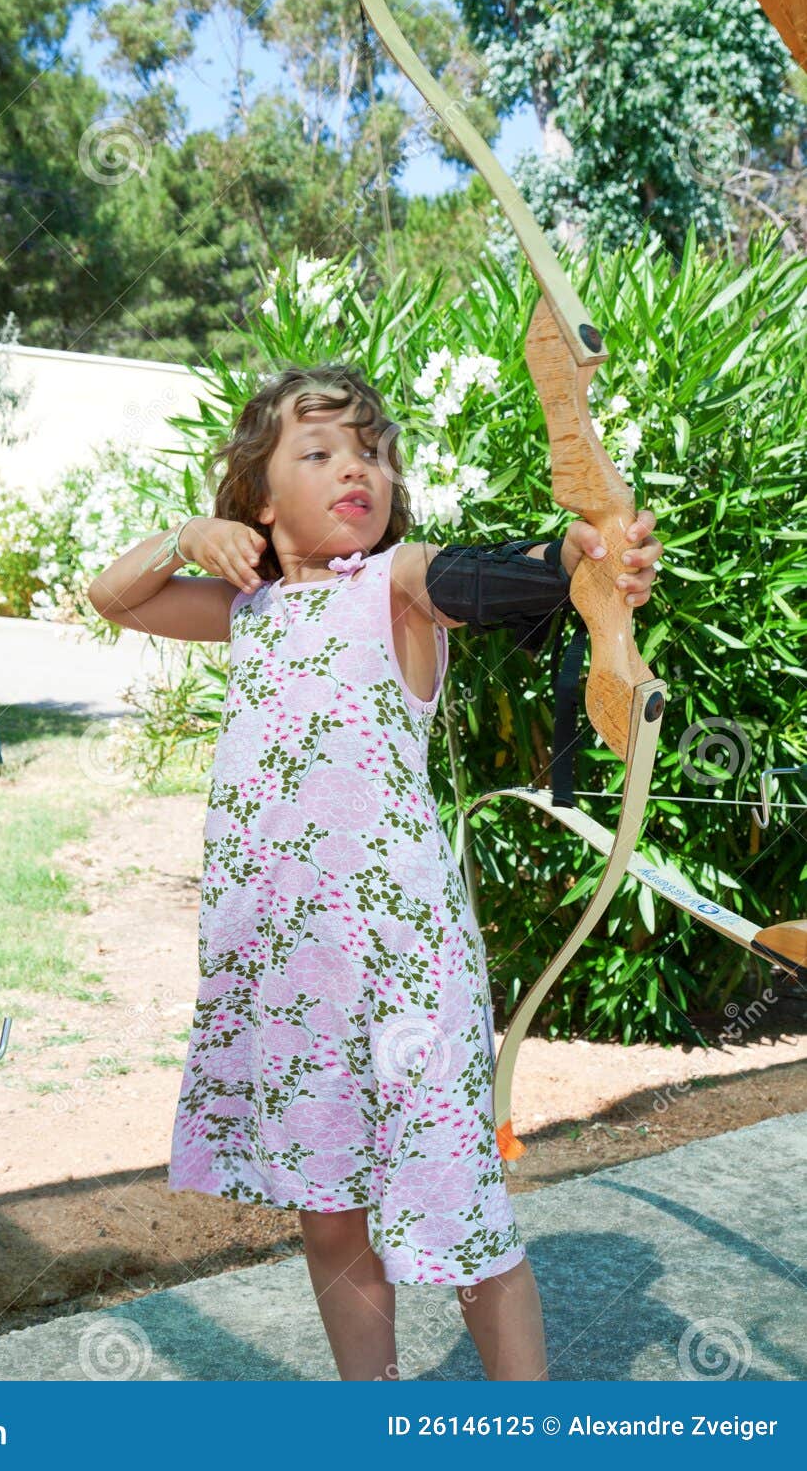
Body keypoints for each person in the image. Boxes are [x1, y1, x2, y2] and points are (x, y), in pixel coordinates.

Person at [87, 363, 662, 1382]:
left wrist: (582, 559)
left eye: (371, 452)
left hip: (399, 976)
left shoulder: (392, 588)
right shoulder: (249, 611)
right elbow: (113, 597)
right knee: (329, 1213)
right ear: (258, 502)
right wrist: (187, 539)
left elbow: (487, 575)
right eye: (318, 453)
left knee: (458, 1212)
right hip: (292, 977)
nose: (356, 467)